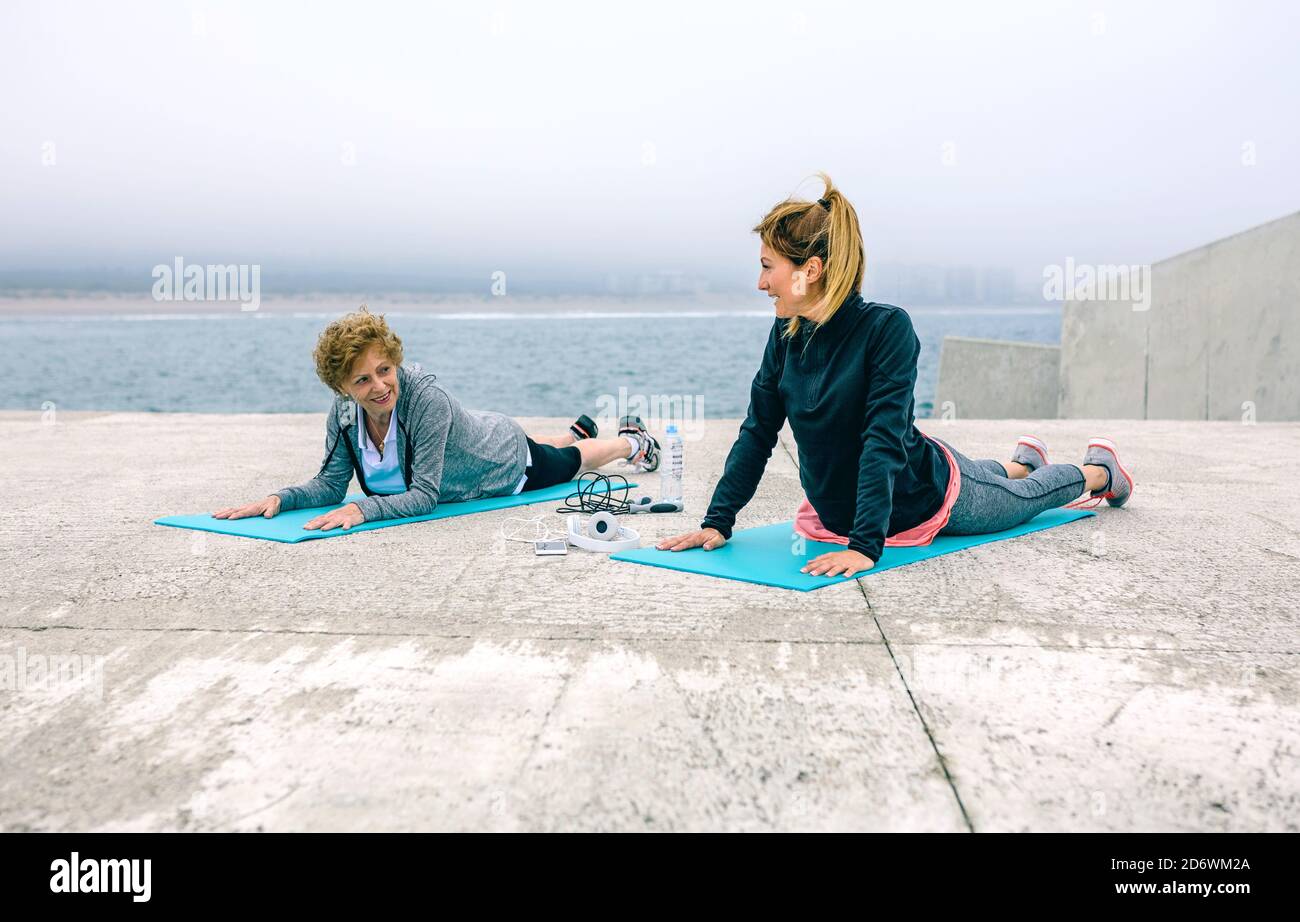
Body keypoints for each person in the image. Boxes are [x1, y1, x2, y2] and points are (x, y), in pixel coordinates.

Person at [657, 173, 1134, 577]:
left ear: (811, 269)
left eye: (768, 268)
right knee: (991, 474)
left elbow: (882, 439)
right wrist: (718, 520)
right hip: (849, 507)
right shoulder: (786, 334)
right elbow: (758, 431)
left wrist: (866, 546)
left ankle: (1099, 471)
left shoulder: (887, 329)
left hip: (922, 497)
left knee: (1025, 498)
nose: (760, 283)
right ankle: (1021, 459)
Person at [215, 308, 660, 530]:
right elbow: (331, 484)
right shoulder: (345, 414)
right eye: (362, 379)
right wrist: (280, 499)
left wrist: (361, 509)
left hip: (502, 462)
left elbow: (424, 496)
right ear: (342, 386)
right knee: (550, 442)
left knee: (570, 462)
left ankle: (630, 442)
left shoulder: (426, 401)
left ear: (396, 362)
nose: (379, 387)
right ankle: (569, 433)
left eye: (385, 370)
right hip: (474, 431)